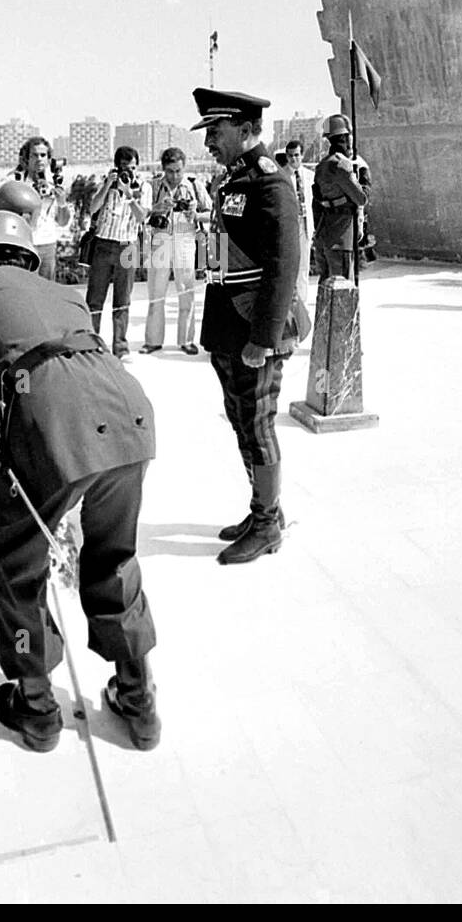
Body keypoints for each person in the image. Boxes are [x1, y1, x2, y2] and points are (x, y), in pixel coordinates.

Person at [0, 209, 160, 752]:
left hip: (51, 418)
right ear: (28, 257)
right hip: (128, 409)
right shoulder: (65, 291)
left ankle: (36, 706)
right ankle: (139, 702)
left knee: (21, 566)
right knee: (114, 555)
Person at [192, 87, 300, 566]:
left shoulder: (269, 183)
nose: (209, 141)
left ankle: (266, 525)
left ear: (244, 129)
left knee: (258, 426)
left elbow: (284, 267)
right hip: (229, 325)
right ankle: (263, 509)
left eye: (215, 131)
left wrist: (264, 339)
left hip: (255, 328)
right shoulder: (235, 179)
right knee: (241, 422)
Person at [143, 147, 212, 355]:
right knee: (156, 292)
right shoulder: (153, 185)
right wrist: (158, 208)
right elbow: (142, 214)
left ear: (184, 168)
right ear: (163, 169)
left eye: (178, 171)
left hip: (185, 240)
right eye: (170, 171)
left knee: (186, 292)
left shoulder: (194, 185)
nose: (174, 176)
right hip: (160, 240)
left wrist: (196, 215)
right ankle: (153, 341)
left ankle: (187, 340)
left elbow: (211, 212)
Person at [84, 146, 151, 357]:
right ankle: (92, 344)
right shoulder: (107, 182)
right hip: (104, 244)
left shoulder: (144, 187)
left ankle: (120, 346)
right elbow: (93, 208)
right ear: (116, 166)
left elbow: (142, 218)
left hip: (127, 246)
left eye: (131, 168)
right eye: (124, 168)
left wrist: (130, 195)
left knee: (123, 300)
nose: (127, 173)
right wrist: (107, 186)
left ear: (137, 167)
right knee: (95, 298)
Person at [311, 115, 371, 282]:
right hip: (341, 236)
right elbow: (361, 199)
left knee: (326, 287)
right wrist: (365, 177)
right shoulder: (341, 165)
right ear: (345, 138)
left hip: (325, 235)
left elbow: (317, 202)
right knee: (342, 290)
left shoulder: (322, 165)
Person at [11, 137, 71, 282]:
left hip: (48, 245)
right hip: (26, 245)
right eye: (34, 155)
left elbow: (62, 222)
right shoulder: (18, 185)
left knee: (48, 291)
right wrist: (34, 200)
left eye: (43, 155)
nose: (39, 159)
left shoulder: (54, 185)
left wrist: (62, 203)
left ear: (49, 159)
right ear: (27, 159)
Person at [284, 138, 315, 303]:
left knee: (303, 268)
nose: (293, 159)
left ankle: (302, 304)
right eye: (290, 156)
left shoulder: (310, 176)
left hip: (305, 226)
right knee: (289, 269)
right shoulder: (281, 177)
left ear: (302, 155)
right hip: (289, 228)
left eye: (296, 155)